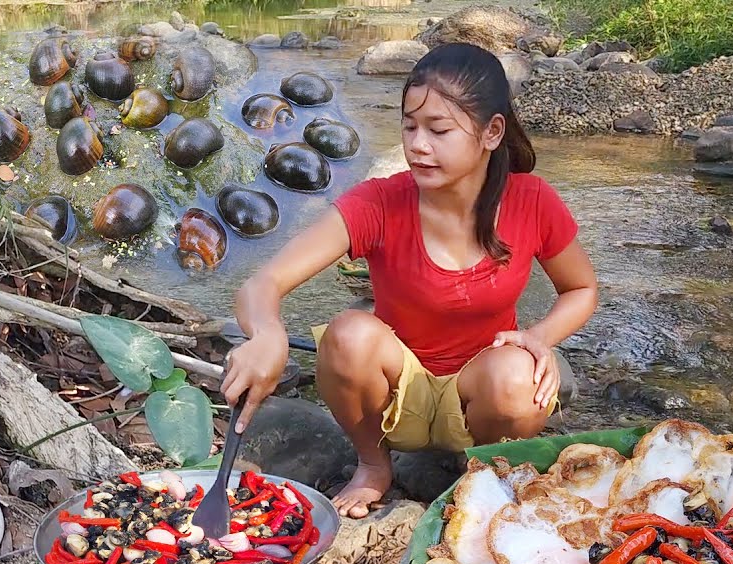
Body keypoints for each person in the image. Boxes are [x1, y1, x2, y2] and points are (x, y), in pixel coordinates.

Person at [221, 43, 598, 518]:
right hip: (399, 393)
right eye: (409, 126)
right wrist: (267, 334)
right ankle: (374, 465)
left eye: (439, 130)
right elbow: (261, 284)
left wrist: (541, 337)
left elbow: (581, 289)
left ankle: (480, 472)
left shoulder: (533, 201)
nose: (418, 145)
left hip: (482, 395)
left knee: (518, 374)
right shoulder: (380, 202)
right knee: (348, 334)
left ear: (492, 132)